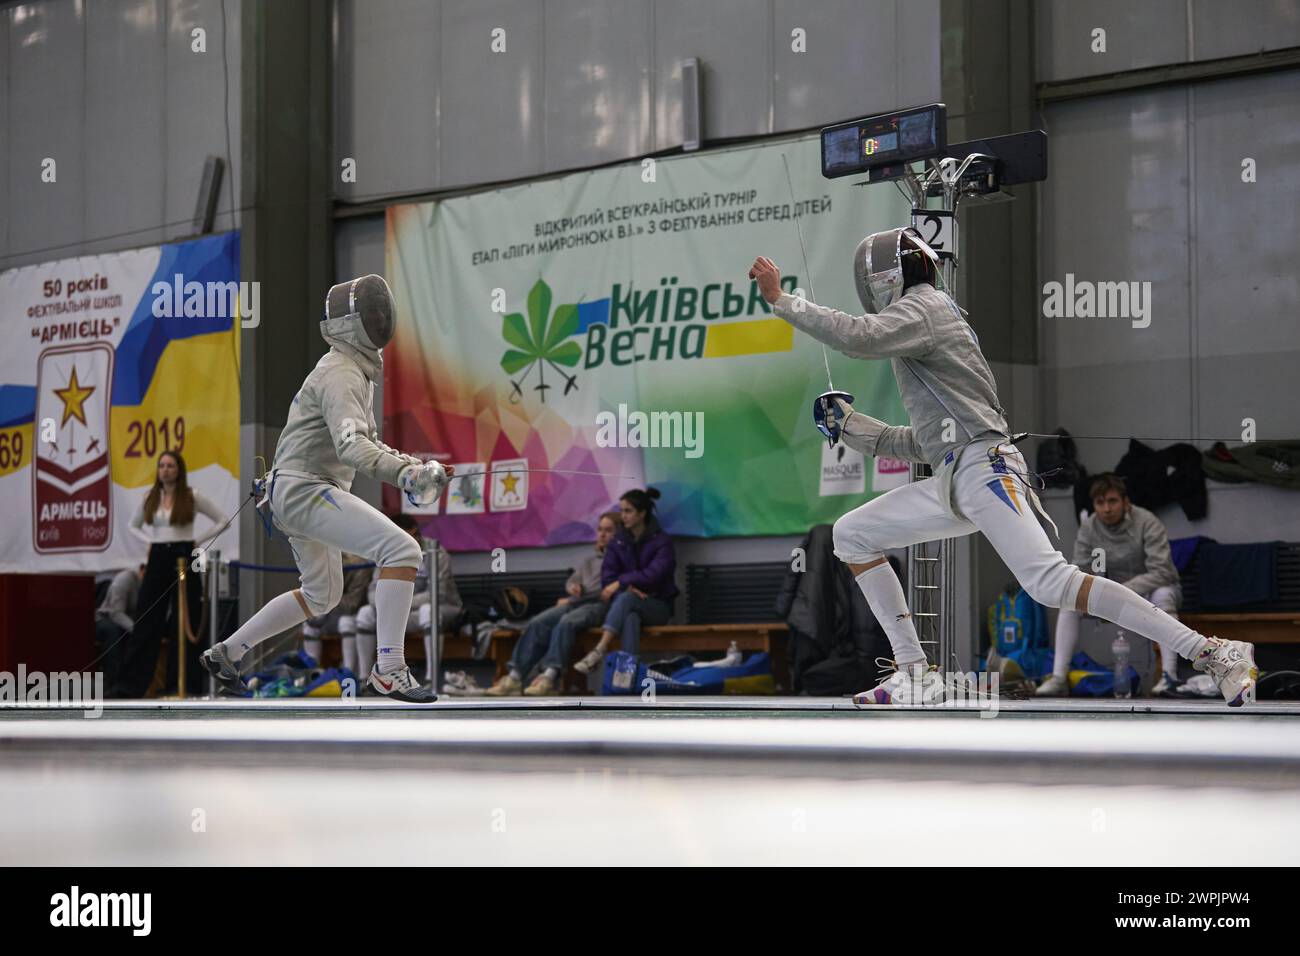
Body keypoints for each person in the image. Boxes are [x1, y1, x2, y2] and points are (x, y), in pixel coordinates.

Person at [749, 229, 1257, 706]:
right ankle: (915, 673)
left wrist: (781, 300)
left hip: (984, 469)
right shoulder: (920, 327)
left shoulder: (925, 308)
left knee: (1049, 582)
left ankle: (1211, 652)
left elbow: (857, 336)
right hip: (955, 475)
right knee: (853, 534)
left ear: (883, 278)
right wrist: (851, 426)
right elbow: (925, 444)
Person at [200, 274, 452, 702]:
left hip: (294, 490)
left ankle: (229, 651)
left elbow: (364, 442)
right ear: (352, 323)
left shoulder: (350, 371)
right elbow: (353, 449)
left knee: (323, 594)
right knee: (403, 550)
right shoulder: (341, 373)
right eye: (371, 313)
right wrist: (406, 476)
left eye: (380, 312)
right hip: (305, 488)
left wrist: (415, 467)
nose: (380, 319)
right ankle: (390, 669)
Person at [1038, 473, 1185, 697]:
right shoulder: (1088, 527)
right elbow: (1080, 570)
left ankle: (1169, 677)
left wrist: (1123, 591)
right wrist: (1099, 593)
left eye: (1112, 501)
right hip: (1109, 593)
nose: (1106, 508)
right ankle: (1058, 678)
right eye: (1100, 502)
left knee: (1163, 595)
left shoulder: (1147, 522)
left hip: (1149, 590)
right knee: (1069, 603)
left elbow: (1162, 572)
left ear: (1126, 502)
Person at [117, 450, 230, 698]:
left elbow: (223, 520)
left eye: (170, 465)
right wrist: (150, 541)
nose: (165, 469)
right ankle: (131, 687)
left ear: (179, 469)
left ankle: (183, 686)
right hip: (158, 555)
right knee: (147, 620)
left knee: (186, 619)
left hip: (183, 555)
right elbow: (132, 526)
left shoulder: (191, 496)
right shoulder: (150, 497)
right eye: (162, 465)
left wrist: (196, 541)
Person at [486, 510, 619, 696]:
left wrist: (575, 598)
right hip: (575, 602)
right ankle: (515, 677)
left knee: (566, 623)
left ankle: (549, 676)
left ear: (618, 534)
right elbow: (573, 580)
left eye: (608, 530)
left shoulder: (619, 559)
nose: (602, 534)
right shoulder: (590, 560)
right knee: (539, 621)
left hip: (597, 606)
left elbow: (602, 591)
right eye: (600, 529)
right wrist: (573, 587)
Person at [573, 489, 677, 673]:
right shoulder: (618, 541)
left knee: (627, 600)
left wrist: (622, 583)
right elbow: (608, 579)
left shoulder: (662, 541)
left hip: (658, 605)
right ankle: (628, 675)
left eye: (628, 511)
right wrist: (626, 590)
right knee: (630, 615)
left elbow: (653, 576)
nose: (623, 516)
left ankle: (600, 649)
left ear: (642, 513)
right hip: (627, 604)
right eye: (621, 511)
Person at [354, 513, 462, 685]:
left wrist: (398, 605)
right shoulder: (388, 550)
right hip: (401, 612)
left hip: (441, 609)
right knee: (365, 613)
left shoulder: (436, 552)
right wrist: (388, 606)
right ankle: (365, 679)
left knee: (429, 611)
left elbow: (436, 594)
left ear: (414, 532)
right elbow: (374, 590)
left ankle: (431, 678)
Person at [299, 550, 371, 674]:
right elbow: (313, 596)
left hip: (355, 616)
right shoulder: (318, 567)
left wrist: (325, 605)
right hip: (332, 615)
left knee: (346, 622)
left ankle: (349, 674)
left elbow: (352, 605)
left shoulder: (359, 565)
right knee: (309, 626)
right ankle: (312, 674)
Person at [97, 564, 144, 697]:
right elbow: (115, 613)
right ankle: (113, 681)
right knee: (113, 632)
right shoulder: (126, 579)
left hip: (126, 623)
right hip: (104, 618)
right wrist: (136, 629)